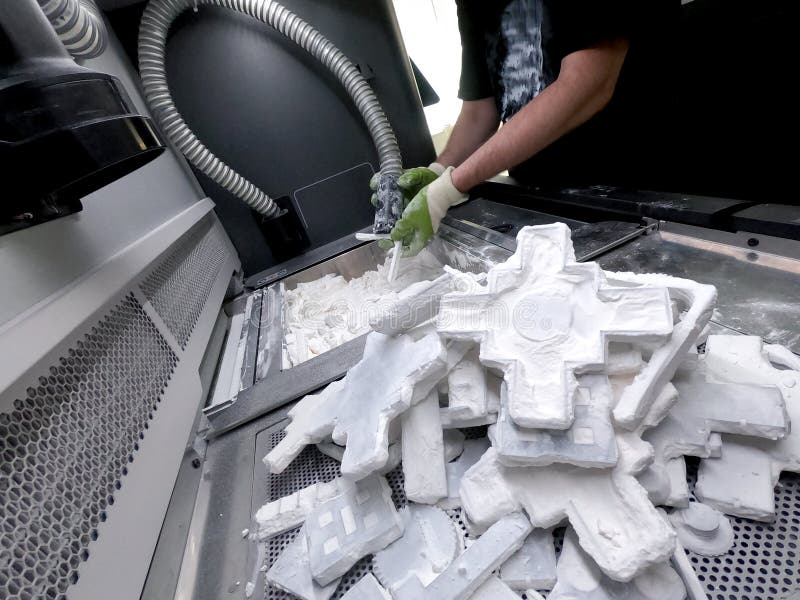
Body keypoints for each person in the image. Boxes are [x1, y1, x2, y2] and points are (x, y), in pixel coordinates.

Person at [374, 0, 676, 256]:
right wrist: (439, 172)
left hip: (640, 194)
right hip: (543, 201)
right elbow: (481, 110)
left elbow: (589, 82)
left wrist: (451, 187)